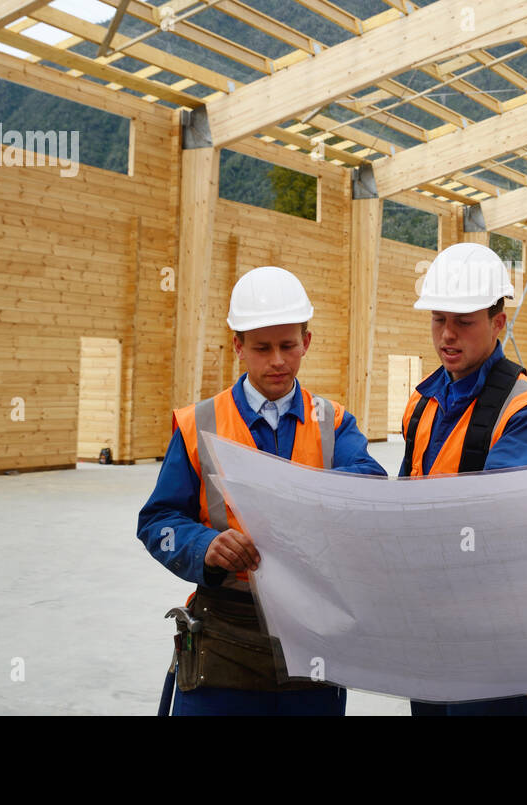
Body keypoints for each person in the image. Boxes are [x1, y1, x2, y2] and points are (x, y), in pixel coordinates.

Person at [138, 266, 386, 715]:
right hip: (226, 637)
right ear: (238, 347)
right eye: (262, 347)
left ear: (306, 342)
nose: (277, 361)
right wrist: (205, 545)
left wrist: (313, 501)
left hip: (314, 640)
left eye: (288, 346)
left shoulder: (333, 423)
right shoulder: (200, 425)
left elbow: (370, 485)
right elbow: (158, 522)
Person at [400, 242, 527, 716]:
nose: (447, 335)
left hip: (491, 630)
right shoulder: (422, 403)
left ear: (498, 322)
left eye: (464, 322)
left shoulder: (525, 411)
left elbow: (494, 524)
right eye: (439, 319)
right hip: (429, 624)